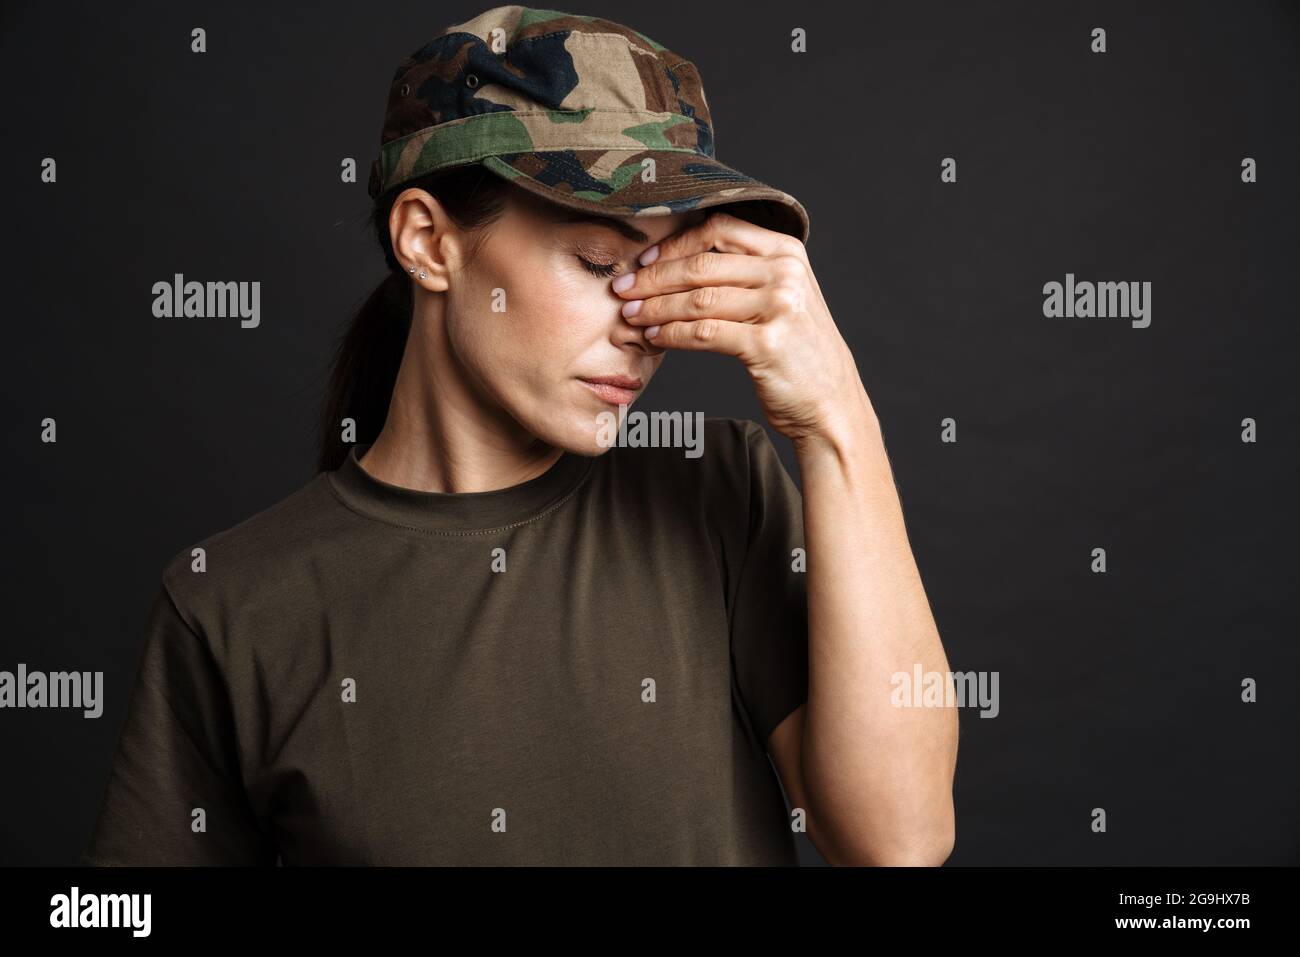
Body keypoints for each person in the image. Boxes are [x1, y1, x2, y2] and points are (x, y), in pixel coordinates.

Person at [83, 5, 957, 866]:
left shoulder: (719, 491)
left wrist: (835, 416)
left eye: (668, 269)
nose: (644, 321)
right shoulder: (232, 607)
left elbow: (899, 843)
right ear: (428, 242)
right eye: (599, 264)